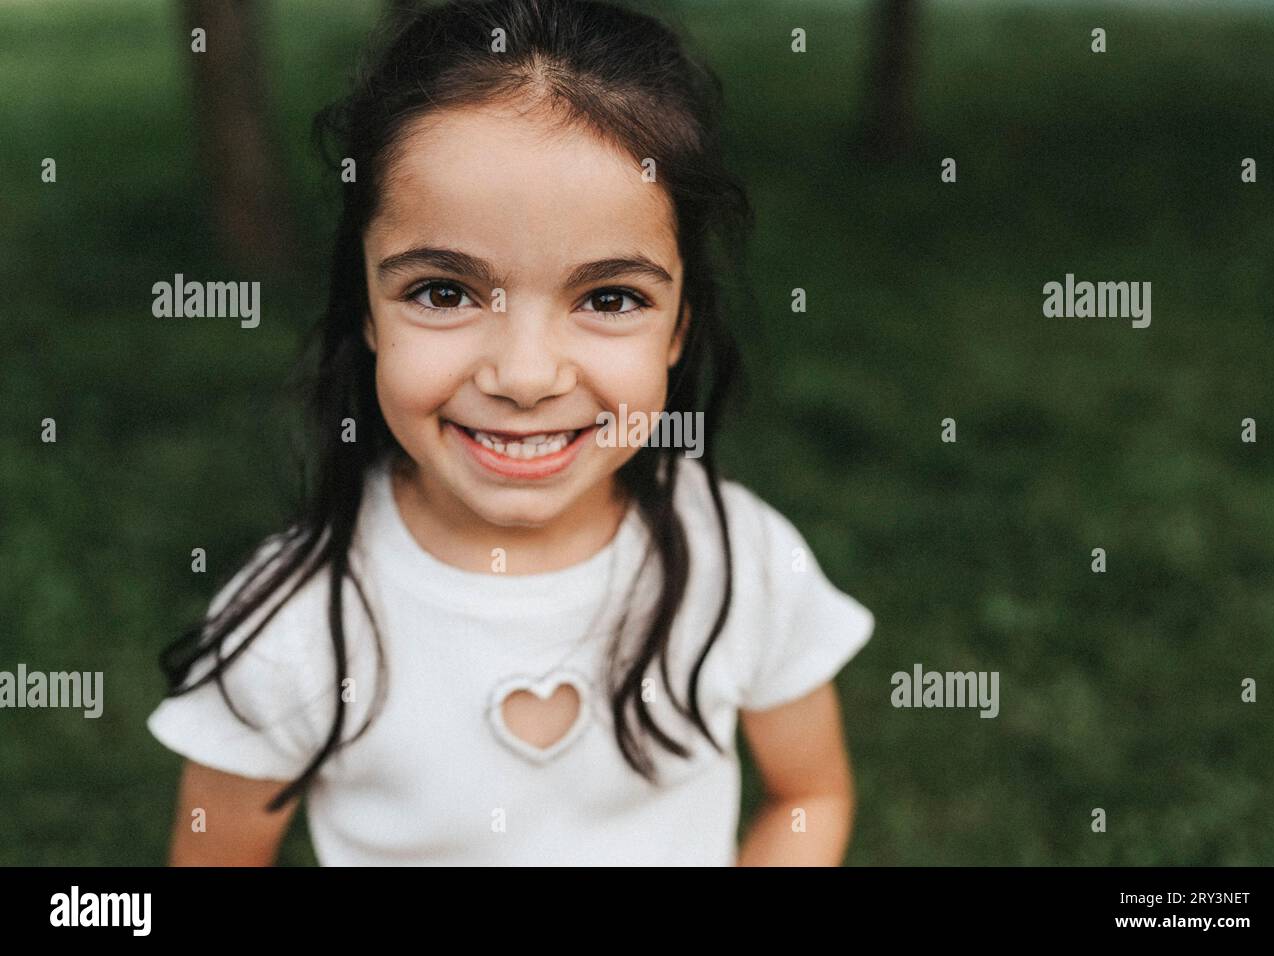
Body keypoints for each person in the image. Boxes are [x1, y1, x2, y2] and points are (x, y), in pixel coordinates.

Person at [148, 0, 875, 866]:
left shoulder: (741, 560)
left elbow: (809, 795)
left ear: (678, 329)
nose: (526, 377)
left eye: (609, 299)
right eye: (444, 292)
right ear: (368, 312)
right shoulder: (297, 626)